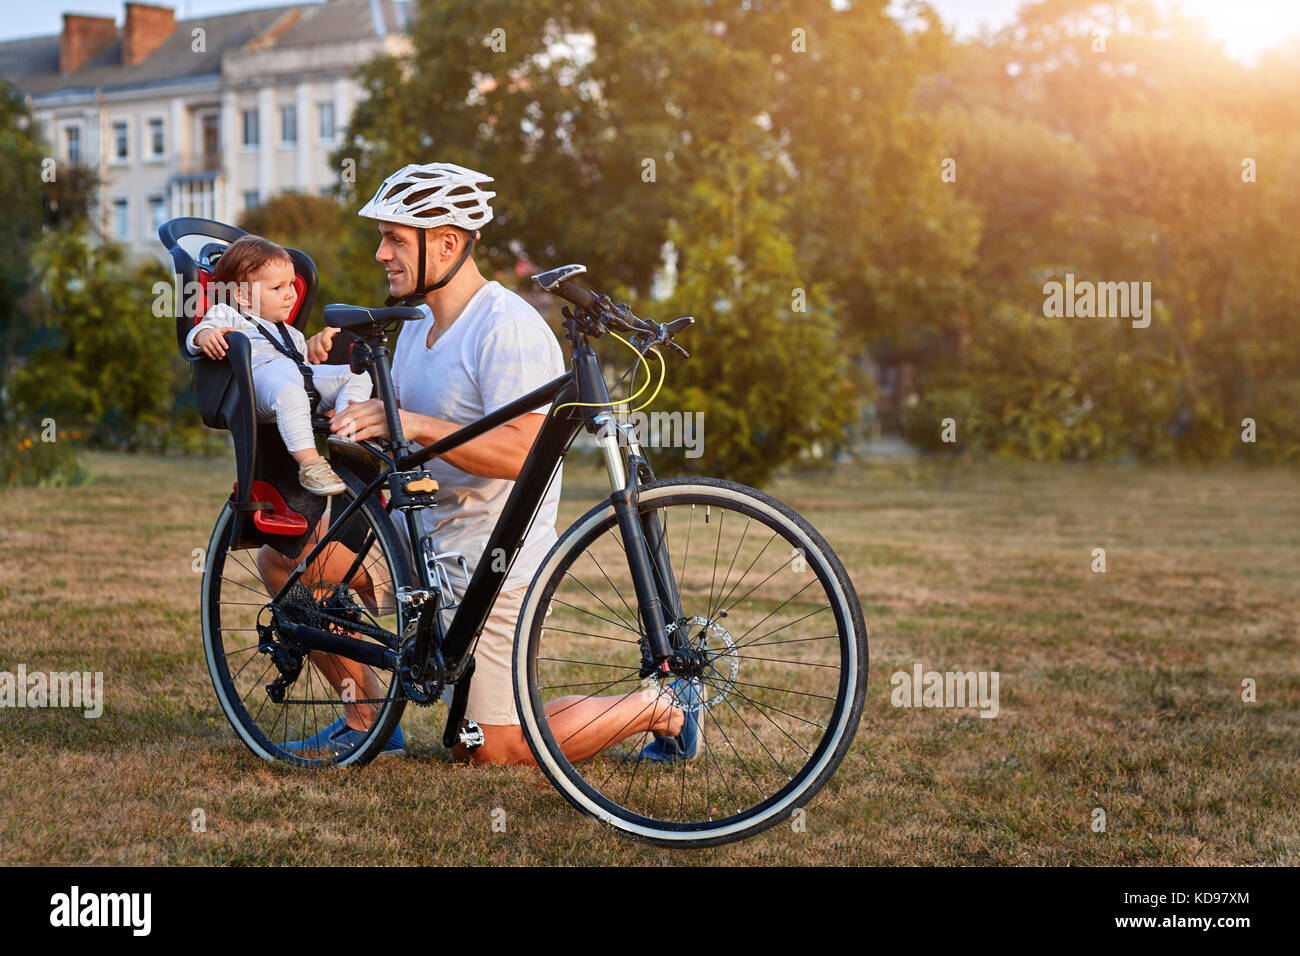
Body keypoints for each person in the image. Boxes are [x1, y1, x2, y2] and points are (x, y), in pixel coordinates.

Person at [277, 161, 698, 764]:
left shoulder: (507, 329)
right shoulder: (418, 323)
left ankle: (661, 707)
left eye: (395, 238)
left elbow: (524, 453)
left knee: (490, 750)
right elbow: (396, 426)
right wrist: (338, 367)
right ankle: (367, 721)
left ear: (446, 243)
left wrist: (416, 424)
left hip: (492, 563)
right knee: (291, 554)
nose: (380, 254)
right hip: (417, 541)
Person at [187, 235, 370, 495]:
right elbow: (197, 333)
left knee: (356, 375)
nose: (290, 295)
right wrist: (204, 336)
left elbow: (304, 369)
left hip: (293, 383)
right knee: (286, 377)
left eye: (291, 285)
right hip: (256, 388)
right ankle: (310, 464)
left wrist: (314, 351)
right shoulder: (229, 314)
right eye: (278, 288)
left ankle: (346, 433)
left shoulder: (291, 334)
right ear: (243, 296)